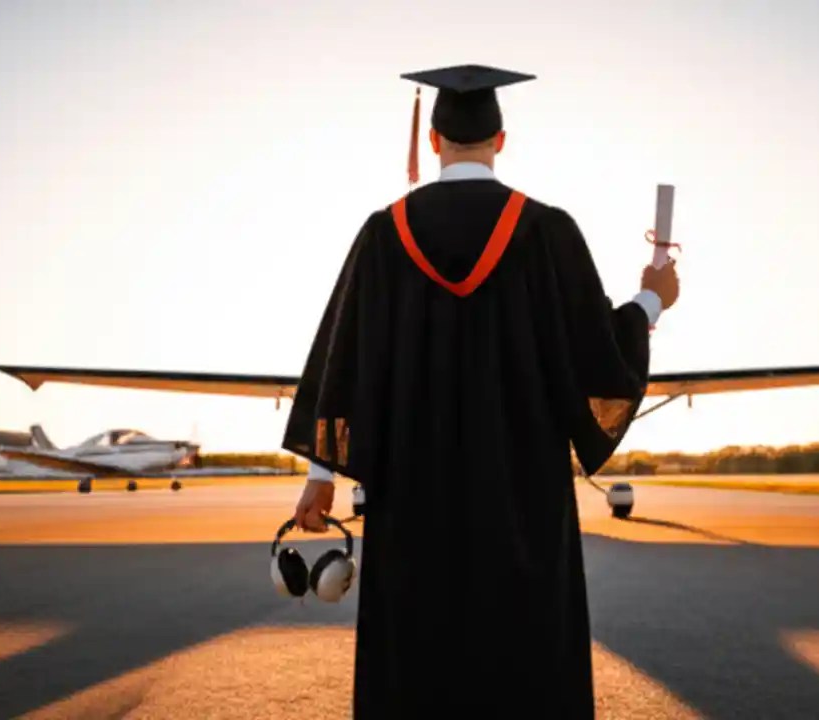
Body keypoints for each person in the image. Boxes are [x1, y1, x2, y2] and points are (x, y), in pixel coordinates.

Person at [281, 64, 680, 719]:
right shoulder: (548, 232)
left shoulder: (384, 235)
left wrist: (321, 474)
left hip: (412, 514)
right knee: (523, 672)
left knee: (417, 676)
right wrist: (651, 300)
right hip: (521, 515)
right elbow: (597, 361)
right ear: (502, 141)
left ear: (434, 142)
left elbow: (341, 362)